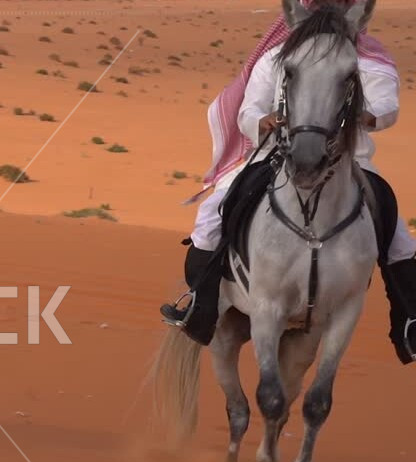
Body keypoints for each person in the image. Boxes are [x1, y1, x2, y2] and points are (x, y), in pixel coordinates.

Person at [162, 0, 416, 363]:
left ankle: (408, 321)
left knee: (399, 239)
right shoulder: (278, 57)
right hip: (275, 154)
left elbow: (386, 106)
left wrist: (367, 117)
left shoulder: (368, 59)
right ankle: (200, 307)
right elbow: (249, 108)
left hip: (350, 159)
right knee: (211, 216)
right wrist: (261, 120)